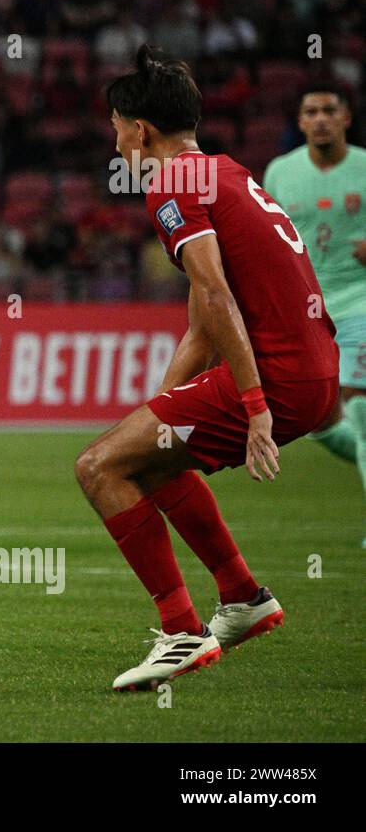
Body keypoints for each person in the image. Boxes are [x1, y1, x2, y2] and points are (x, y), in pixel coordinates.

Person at [75, 46, 339, 691]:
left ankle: (180, 633)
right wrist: (157, 415)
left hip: (279, 376)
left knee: (97, 467)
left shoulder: (169, 184)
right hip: (313, 369)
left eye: (116, 130)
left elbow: (218, 297)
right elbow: (202, 322)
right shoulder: (223, 172)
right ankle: (244, 599)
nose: (117, 146)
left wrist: (253, 407)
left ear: (139, 129)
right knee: (145, 456)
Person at [263, 83, 366, 545]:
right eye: (311, 111)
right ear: (300, 122)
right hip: (307, 311)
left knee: (358, 407)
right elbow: (268, 237)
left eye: (329, 109)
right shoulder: (280, 173)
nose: (321, 118)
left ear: (346, 117)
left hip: (361, 301)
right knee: (318, 421)